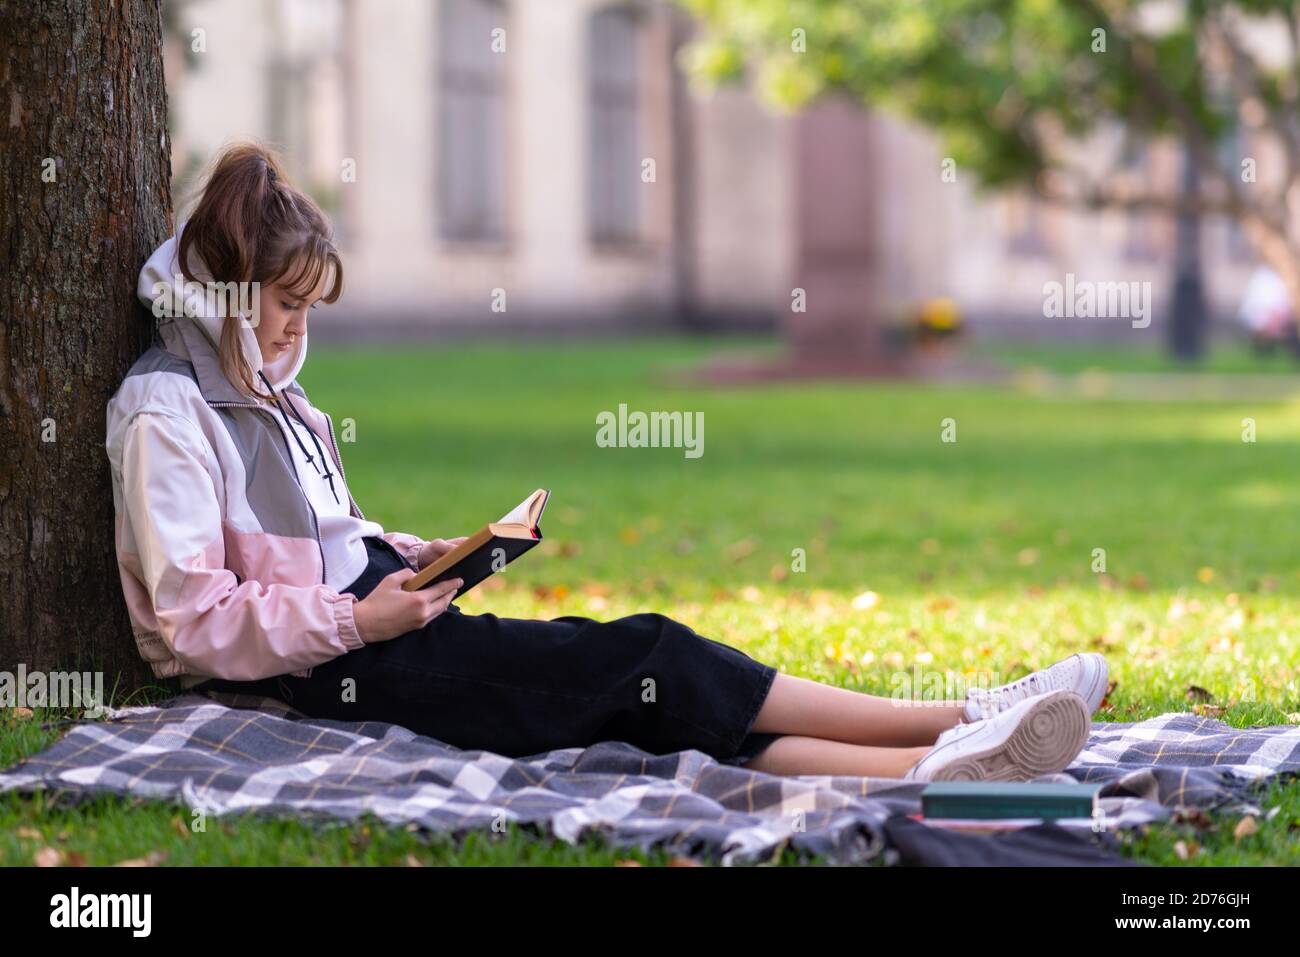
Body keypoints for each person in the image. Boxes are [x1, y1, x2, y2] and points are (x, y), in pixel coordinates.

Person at [105, 142, 1107, 782]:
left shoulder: (268, 391)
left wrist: (431, 556)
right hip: (337, 666)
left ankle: (934, 766)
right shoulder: (169, 408)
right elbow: (189, 624)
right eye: (285, 307)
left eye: (310, 312)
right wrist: (359, 617)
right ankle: (963, 717)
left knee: (649, 705)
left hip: (376, 629)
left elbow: (317, 543)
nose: (293, 334)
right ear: (230, 293)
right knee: (651, 659)